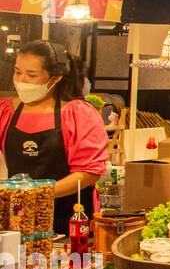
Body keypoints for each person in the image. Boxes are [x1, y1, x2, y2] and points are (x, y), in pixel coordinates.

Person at [1, 41, 108, 236]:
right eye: (17, 72)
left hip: (70, 219)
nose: (21, 80)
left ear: (55, 78)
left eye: (31, 75)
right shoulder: (5, 111)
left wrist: (38, 194)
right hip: (19, 219)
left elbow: (89, 172)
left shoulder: (78, 114)